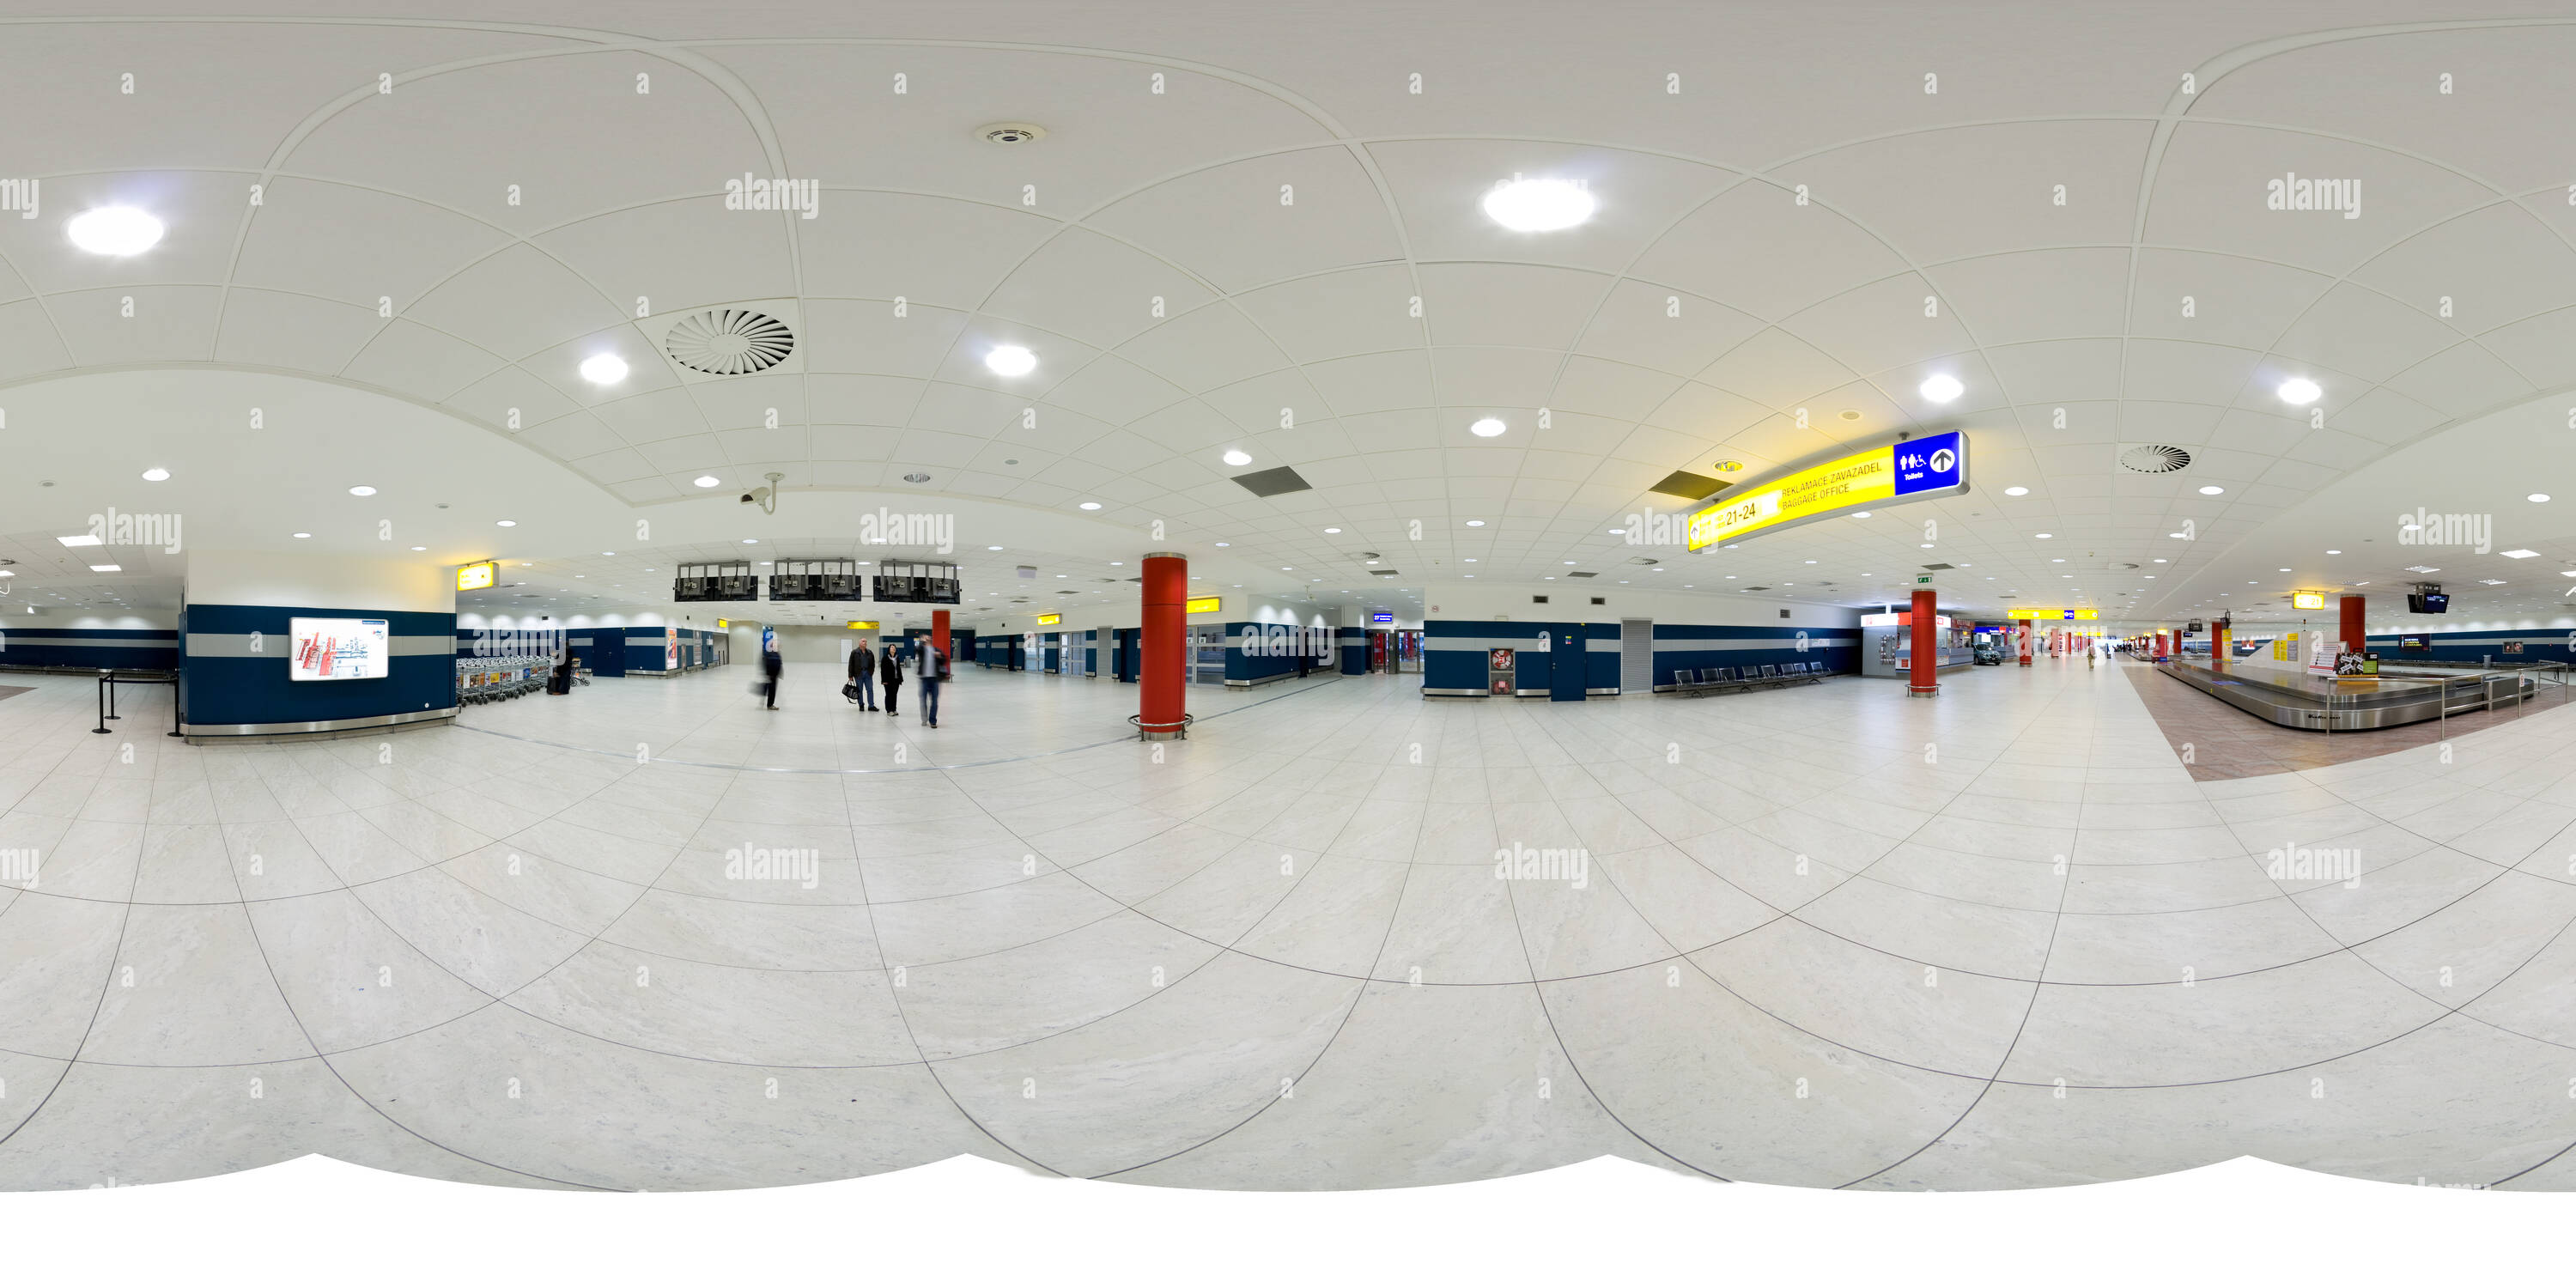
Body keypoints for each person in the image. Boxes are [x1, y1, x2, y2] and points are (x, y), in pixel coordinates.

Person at [918, 638, 945, 728]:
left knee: (934, 702)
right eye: (925, 640)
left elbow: (944, 660)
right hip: (924, 679)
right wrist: (921, 642)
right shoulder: (922, 650)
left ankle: (933, 721)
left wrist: (939, 656)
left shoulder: (936, 650)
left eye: (928, 639)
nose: (927, 640)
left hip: (934, 680)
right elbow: (916, 649)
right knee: (923, 701)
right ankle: (924, 719)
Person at [848, 638, 878, 710]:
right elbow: (851, 664)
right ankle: (861, 705)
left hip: (868, 674)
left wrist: (871, 672)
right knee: (859, 690)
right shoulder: (854, 652)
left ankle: (871, 706)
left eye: (866, 641)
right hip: (858, 674)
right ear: (859, 643)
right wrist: (850, 675)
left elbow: (873, 663)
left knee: (870, 689)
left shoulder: (870, 652)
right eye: (863, 641)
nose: (865, 642)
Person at [878, 641, 903, 717]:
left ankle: (894, 709)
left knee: (894, 695)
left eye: (894, 647)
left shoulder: (897, 657)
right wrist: (884, 681)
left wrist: (901, 678)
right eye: (892, 647)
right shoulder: (885, 658)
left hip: (896, 679)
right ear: (889, 649)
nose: (893, 648)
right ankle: (889, 710)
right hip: (888, 680)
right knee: (889, 695)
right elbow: (883, 670)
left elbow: (899, 669)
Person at [761, 642, 782, 709]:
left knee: (771, 690)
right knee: (771, 690)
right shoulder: (768, 654)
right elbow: (764, 664)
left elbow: (779, 664)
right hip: (770, 676)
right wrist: (767, 674)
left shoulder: (777, 654)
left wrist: (780, 673)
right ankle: (769, 705)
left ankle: (768, 703)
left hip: (774, 676)